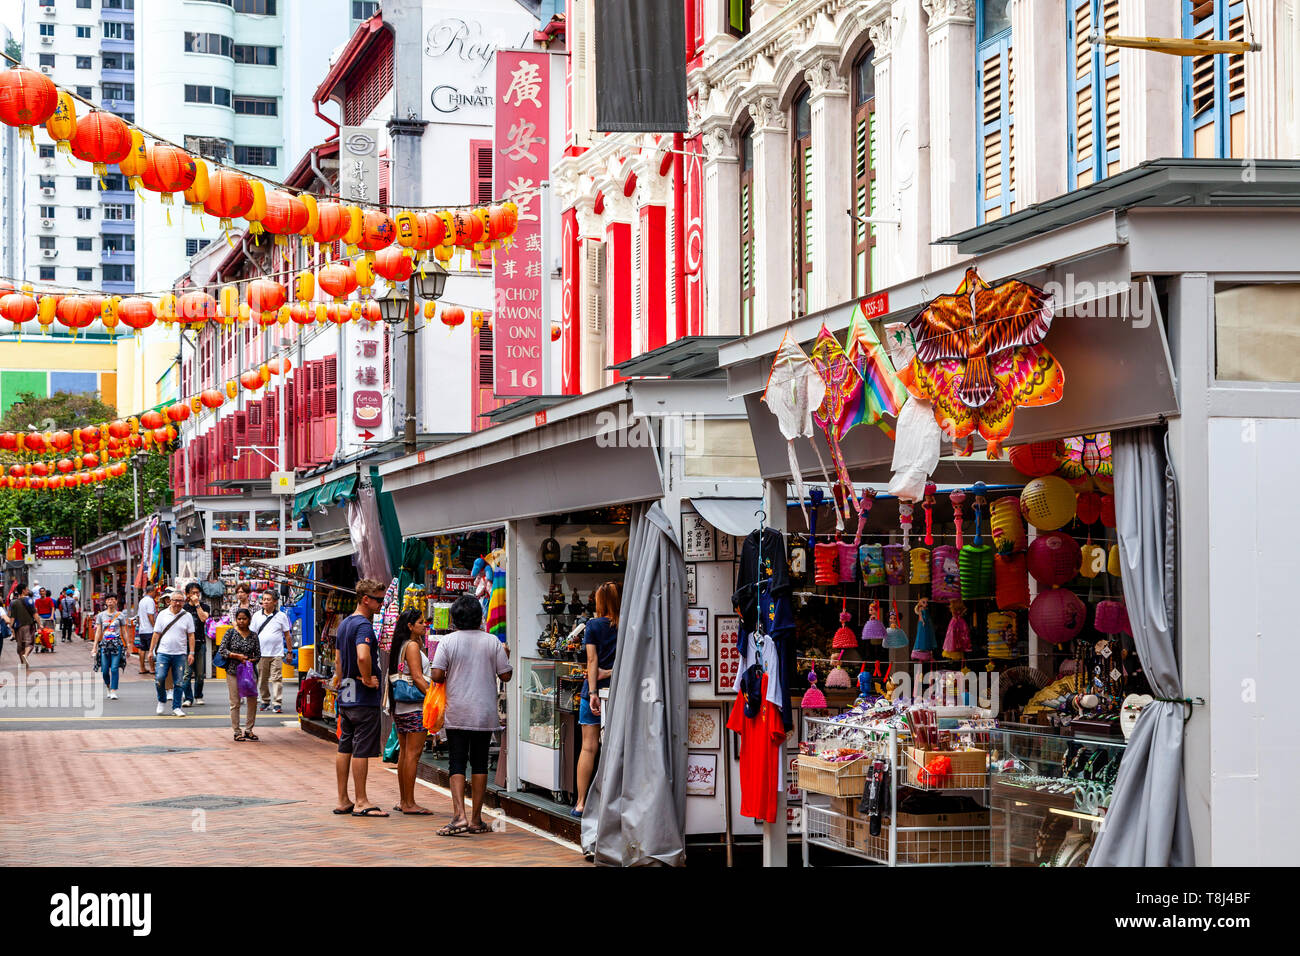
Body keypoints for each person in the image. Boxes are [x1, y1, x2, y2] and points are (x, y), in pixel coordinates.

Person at [430, 594, 512, 836]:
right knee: (479, 762)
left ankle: (459, 817)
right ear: (480, 617)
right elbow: (506, 675)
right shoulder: (492, 641)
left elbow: (436, 675)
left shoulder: (448, 642)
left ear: (454, 619)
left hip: (458, 711)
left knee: (456, 761)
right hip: (483, 713)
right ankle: (476, 819)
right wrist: (504, 654)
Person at [334, 578, 388, 818]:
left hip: (346, 689)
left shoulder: (345, 623)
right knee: (361, 747)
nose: (381, 604)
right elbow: (363, 656)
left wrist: (341, 678)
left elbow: (338, 661)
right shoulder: (364, 626)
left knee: (345, 743)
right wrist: (366, 678)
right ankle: (361, 800)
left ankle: (343, 799)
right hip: (362, 692)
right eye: (378, 599)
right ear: (365, 599)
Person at [573, 581, 620, 817]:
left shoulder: (592, 625)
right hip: (620, 693)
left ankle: (581, 803)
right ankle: (612, 804)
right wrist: (611, 673)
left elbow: (592, 662)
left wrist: (592, 692)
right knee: (616, 748)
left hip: (592, 692)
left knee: (588, 747)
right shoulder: (628, 626)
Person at [388, 609, 432, 815]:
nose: (425, 625)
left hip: (401, 708)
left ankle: (404, 800)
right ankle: (409, 802)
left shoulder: (402, 645)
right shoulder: (412, 646)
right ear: (410, 626)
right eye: (421, 622)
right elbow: (417, 677)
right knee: (412, 755)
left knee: (405, 754)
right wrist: (434, 697)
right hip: (414, 707)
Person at [147, 589, 195, 717]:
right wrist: (151, 650)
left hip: (180, 653)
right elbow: (156, 633)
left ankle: (177, 707)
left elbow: (191, 635)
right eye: (175, 600)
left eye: (180, 601)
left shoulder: (187, 616)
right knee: (160, 678)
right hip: (163, 652)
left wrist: (191, 653)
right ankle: (162, 700)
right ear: (170, 601)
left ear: (184, 602)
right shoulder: (162, 614)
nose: (178, 603)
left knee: (179, 681)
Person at [220, 607, 262, 742]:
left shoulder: (254, 635)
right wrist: (236, 656)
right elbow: (222, 650)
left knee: (252, 700)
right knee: (235, 702)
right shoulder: (230, 633)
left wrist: (250, 660)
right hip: (233, 671)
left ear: (249, 620)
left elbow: (258, 654)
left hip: (249, 672)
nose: (241, 621)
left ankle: (249, 730)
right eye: (239, 619)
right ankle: (237, 731)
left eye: (244, 619)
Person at [251, 589, 294, 714]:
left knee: (277, 678)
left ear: (275, 602)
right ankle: (265, 701)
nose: (265, 602)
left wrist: (290, 652)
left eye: (268, 600)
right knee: (262, 680)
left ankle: (277, 702)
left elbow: (287, 635)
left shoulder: (281, 616)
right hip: (261, 653)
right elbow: (252, 635)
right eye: (264, 599)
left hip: (276, 653)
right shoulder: (256, 616)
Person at [91, 595, 128, 700]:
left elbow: (124, 632)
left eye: (112, 599)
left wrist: (127, 645)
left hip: (117, 645)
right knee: (105, 669)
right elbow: (98, 631)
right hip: (104, 645)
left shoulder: (120, 615)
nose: (110, 601)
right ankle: (108, 686)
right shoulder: (101, 615)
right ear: (105, 602)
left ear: (116, 601)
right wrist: (94, 647)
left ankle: (113, 690)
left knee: (115, 668)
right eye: (108, 600)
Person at [181, 582, 211, 707]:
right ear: (187, 594)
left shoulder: (204, 606)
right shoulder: (183, 609)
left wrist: (197, 604)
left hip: (200, 643)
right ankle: (188, 698)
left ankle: (198, 695)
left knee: (199, 674)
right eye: (193, 593)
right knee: (187, 674)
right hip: (185, 645)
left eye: (197, 593)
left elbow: (204, 618)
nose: (195, 595)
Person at [8, 585, 37, 670]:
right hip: (28, 625)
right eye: (27, 589)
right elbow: (35, 614)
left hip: (18, 627)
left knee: (20, 646)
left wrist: (11, 627)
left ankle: (23, 664)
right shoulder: (29, 600)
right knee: (29, 643)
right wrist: (39, 623)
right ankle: (26, 655)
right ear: (23, 590)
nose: (28, 590)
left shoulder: (13, 602)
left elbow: (12, 616)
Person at [135, 584, 159, 675]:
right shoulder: (150, 601)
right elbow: (150, 615)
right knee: (151, 649)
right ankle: (152, 668)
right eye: (155, 592)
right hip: (149, 630)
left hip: (142, 630)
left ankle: (142, 668)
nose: (155, 593)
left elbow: (139, 617)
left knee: (142, 649)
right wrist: (155, 626)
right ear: (151, 591)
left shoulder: (142, 601)